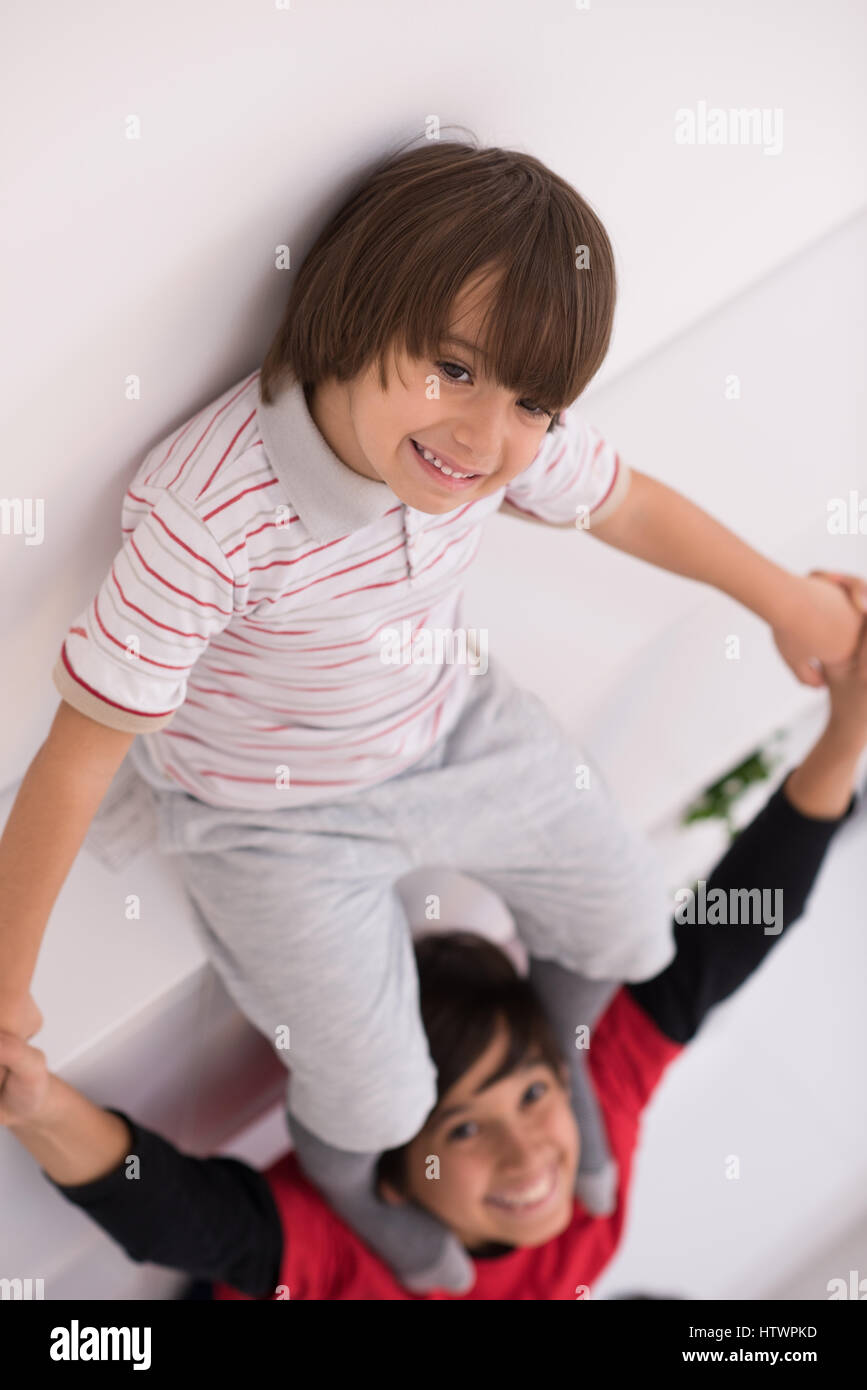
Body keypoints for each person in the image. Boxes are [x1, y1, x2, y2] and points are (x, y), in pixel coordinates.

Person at [0, 136, 862, 1294]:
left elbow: (629, 505)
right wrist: (7, 981)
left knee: (629, 927)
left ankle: (542, 1057)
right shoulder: (215, 513)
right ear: (349, 314)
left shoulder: (498, 452)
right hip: (273, 817)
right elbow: (74, 758)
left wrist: (785, 601)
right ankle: (370, 1182)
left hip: (453, 729)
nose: (488, 440)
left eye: (533, 403)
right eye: (451, 369)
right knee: (379, 1096)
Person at [2, 588, 864, 1301]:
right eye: (462, 1128)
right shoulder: (584, 1231)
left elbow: (185, 1222)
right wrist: (844, 734)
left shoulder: (381, 1262)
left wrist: (34, 1101)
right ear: (390, 1182)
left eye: (531, 1095)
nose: (528, 1155)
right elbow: (726, 940)